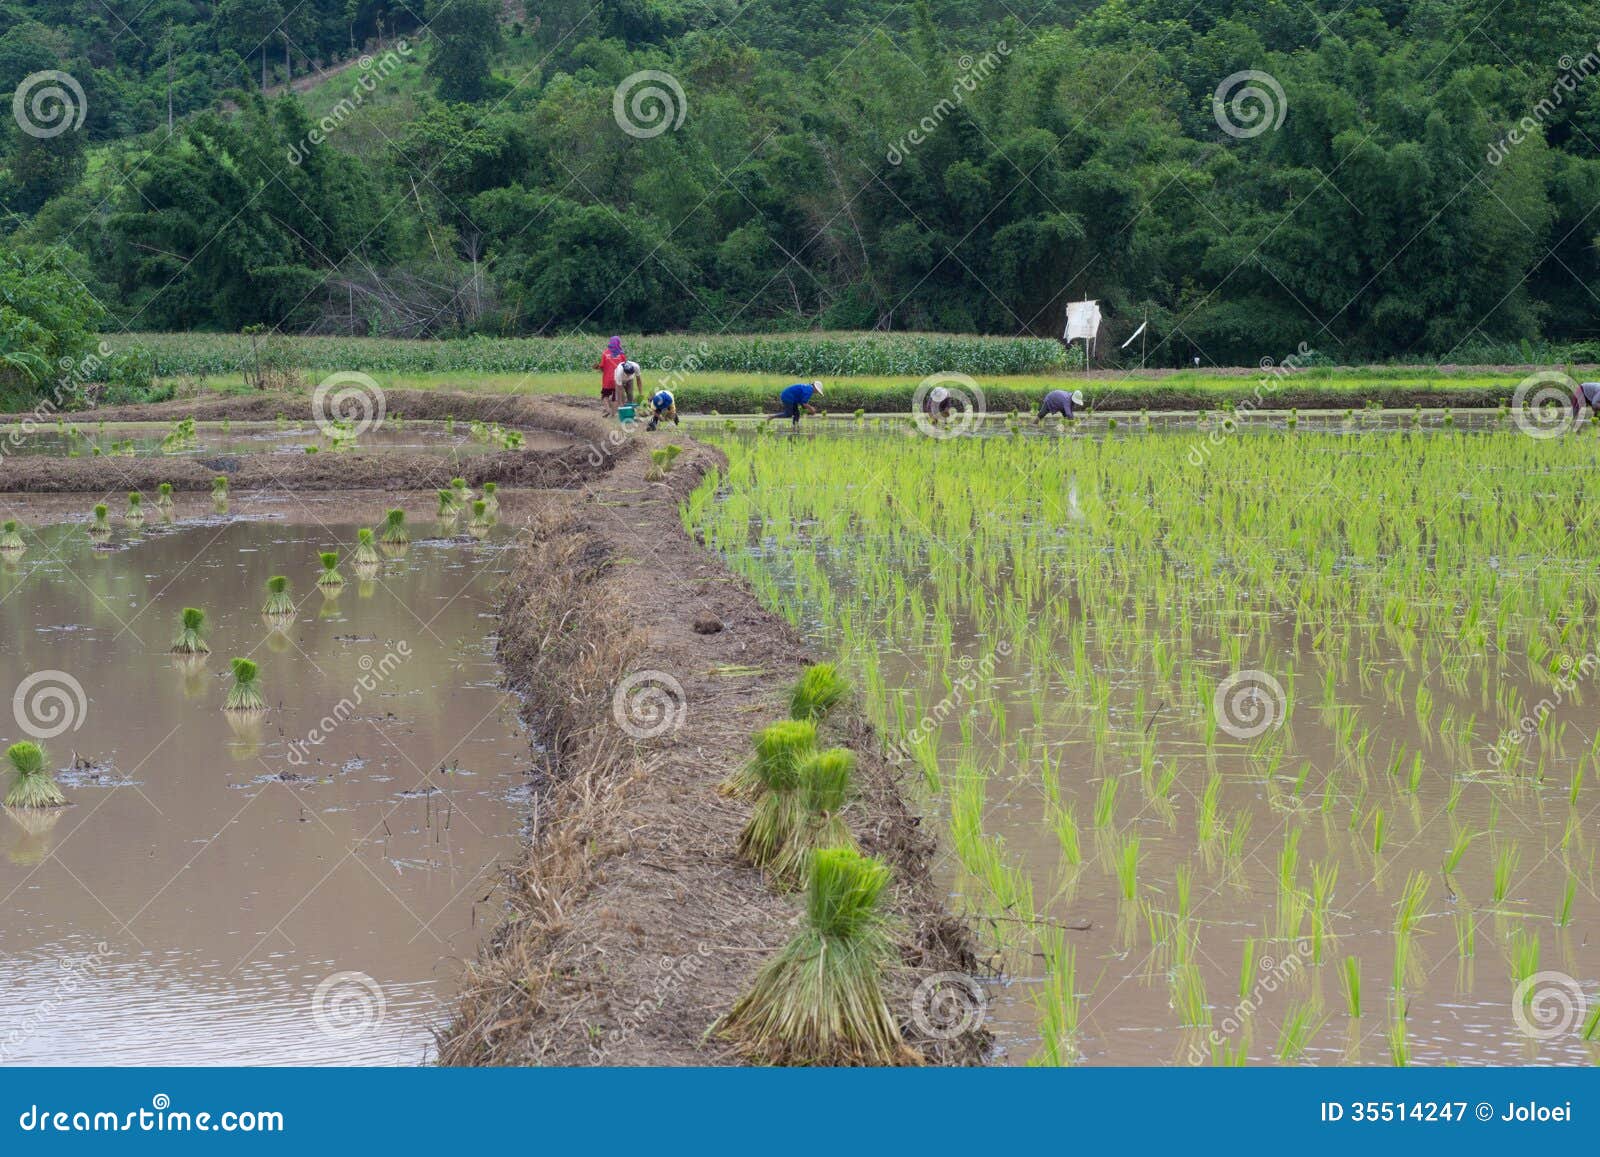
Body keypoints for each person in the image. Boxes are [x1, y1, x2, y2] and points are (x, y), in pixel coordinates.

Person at [594, 336, 626, 417]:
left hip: (607, 380)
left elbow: (602, 367)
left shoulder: (605, 353)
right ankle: (613, 414)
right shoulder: (621, 354)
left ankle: (608, 409)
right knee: (615, 397)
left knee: (605, 396)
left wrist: (597, 367)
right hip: (617, 379)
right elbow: (625, 366)